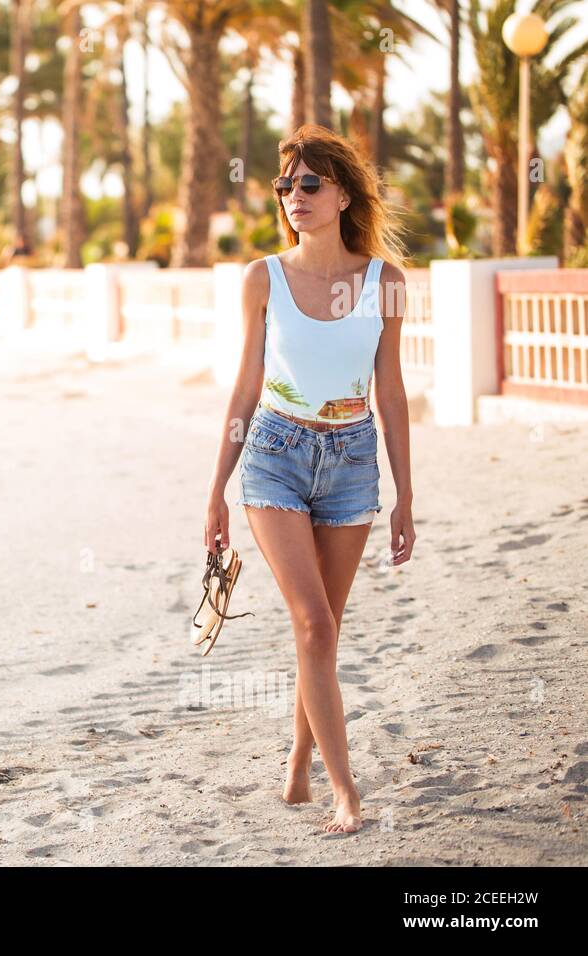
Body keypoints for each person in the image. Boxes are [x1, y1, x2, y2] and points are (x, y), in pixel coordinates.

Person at [202, 124, 416, 834]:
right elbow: (243, 388)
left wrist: (405, 495)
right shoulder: (261, 278)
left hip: (353, 464)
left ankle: (298, 764)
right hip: (274, 456)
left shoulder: (386, 282)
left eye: (309, 183)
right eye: (284, 185)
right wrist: (215, 492)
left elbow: (390, 390)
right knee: (313, 622)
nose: (295, 196)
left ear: (343, 193)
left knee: (319, 635)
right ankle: (345, 790)